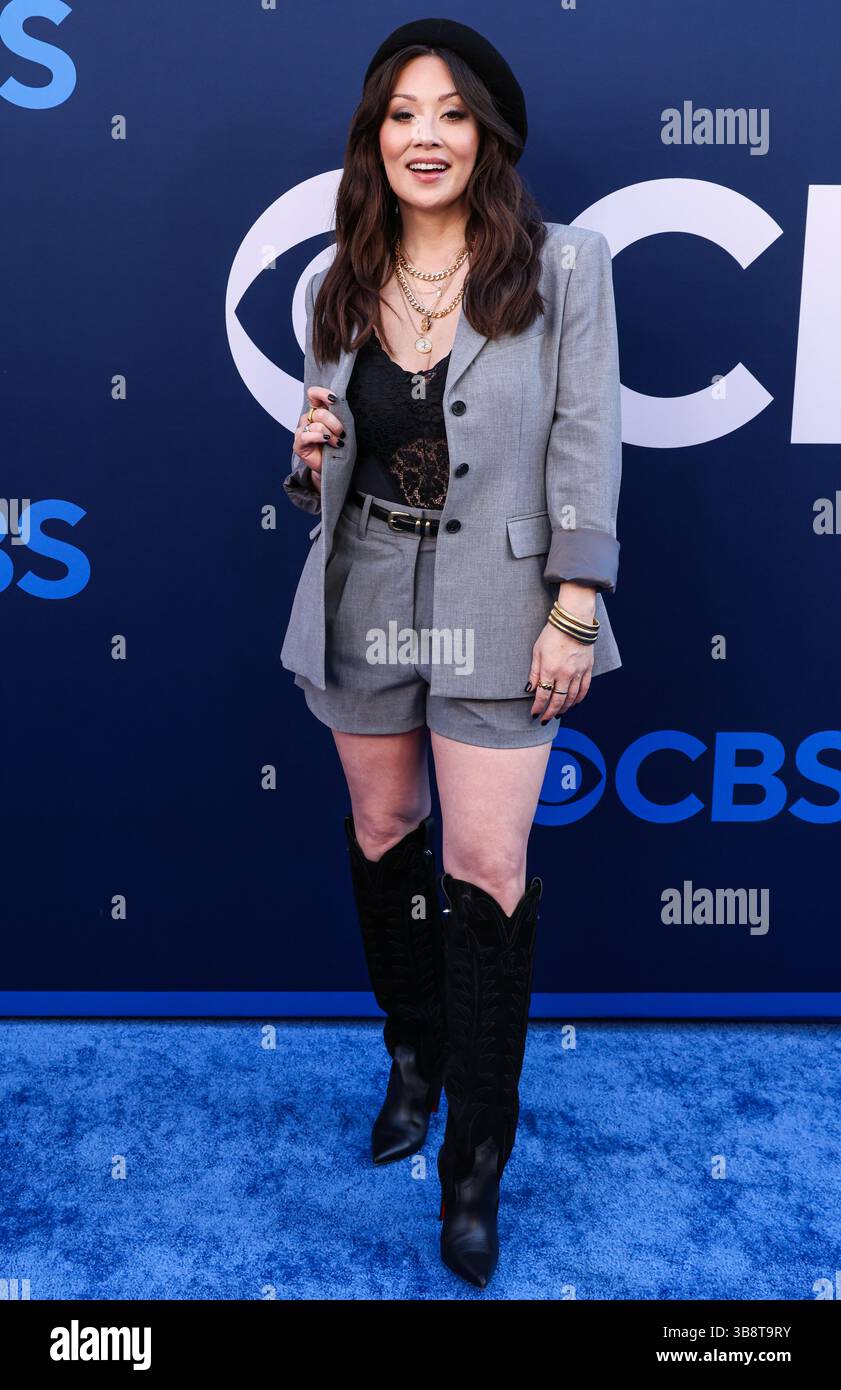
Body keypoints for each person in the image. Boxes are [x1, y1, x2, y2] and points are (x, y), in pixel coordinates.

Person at [280, 17, 622, 1290]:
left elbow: (586, 439)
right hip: (364, 582)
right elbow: (330, 454)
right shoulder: (343, 268)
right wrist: (311, 455)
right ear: (376, 137)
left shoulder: (566, 264)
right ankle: (413, 1051)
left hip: (506, 594)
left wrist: (574, 607)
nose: (426, 136)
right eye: (402, 114)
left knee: (484, 863)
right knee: (382, 835)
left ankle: (474, 1159)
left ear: (490, 132)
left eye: (452, 112)